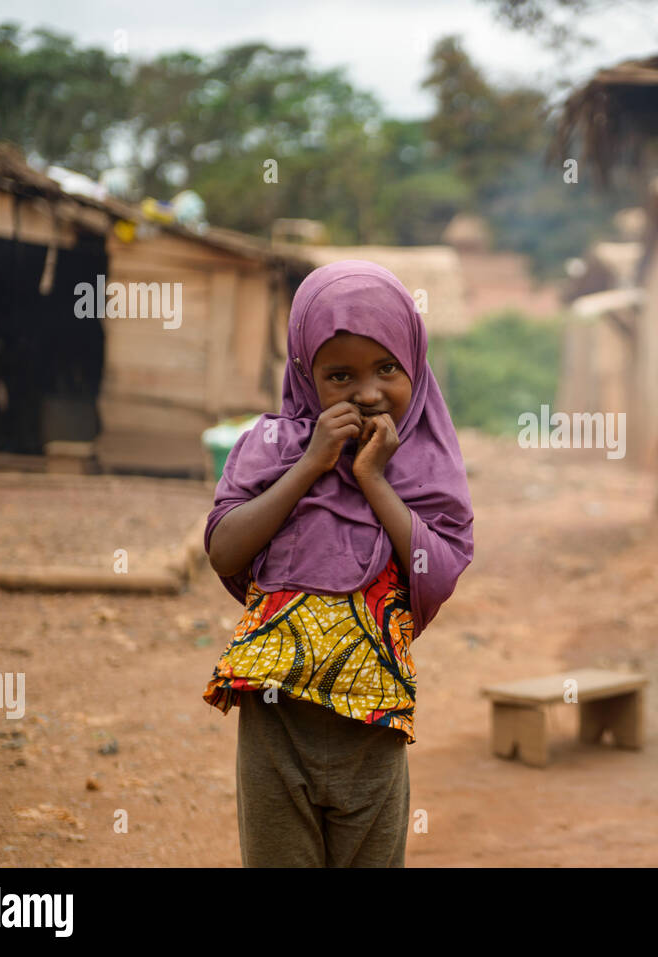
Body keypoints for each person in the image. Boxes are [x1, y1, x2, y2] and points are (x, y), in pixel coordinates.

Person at [201, 259, 473, 867]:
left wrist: (372, 479)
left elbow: (441, 565)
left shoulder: (426, 466)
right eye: (340, 375)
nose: (369, 392)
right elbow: (224, 548)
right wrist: (310, 464)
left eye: (387, 369)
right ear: (305, 375)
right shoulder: (270, 445)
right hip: (277, 719)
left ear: (416, 366)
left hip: (372, 726)